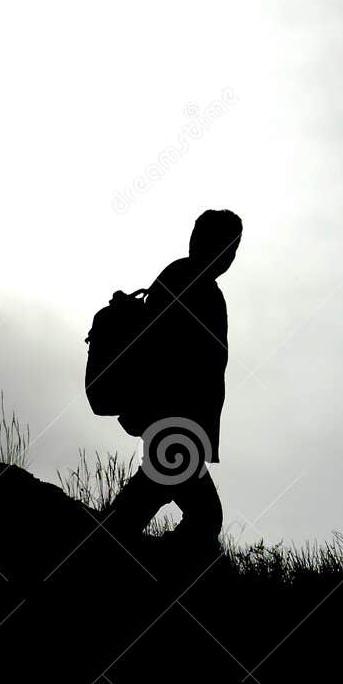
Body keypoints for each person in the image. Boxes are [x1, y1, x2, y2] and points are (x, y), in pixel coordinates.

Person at [109, 209, 242, 548]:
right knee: (204, 516)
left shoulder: (183, 279)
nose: (229, 257)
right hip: (175, 419)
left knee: (151, 502)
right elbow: (171, 355)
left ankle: (111, 554)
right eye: (227, 247)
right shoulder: (191, 284)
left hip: (174, 421)